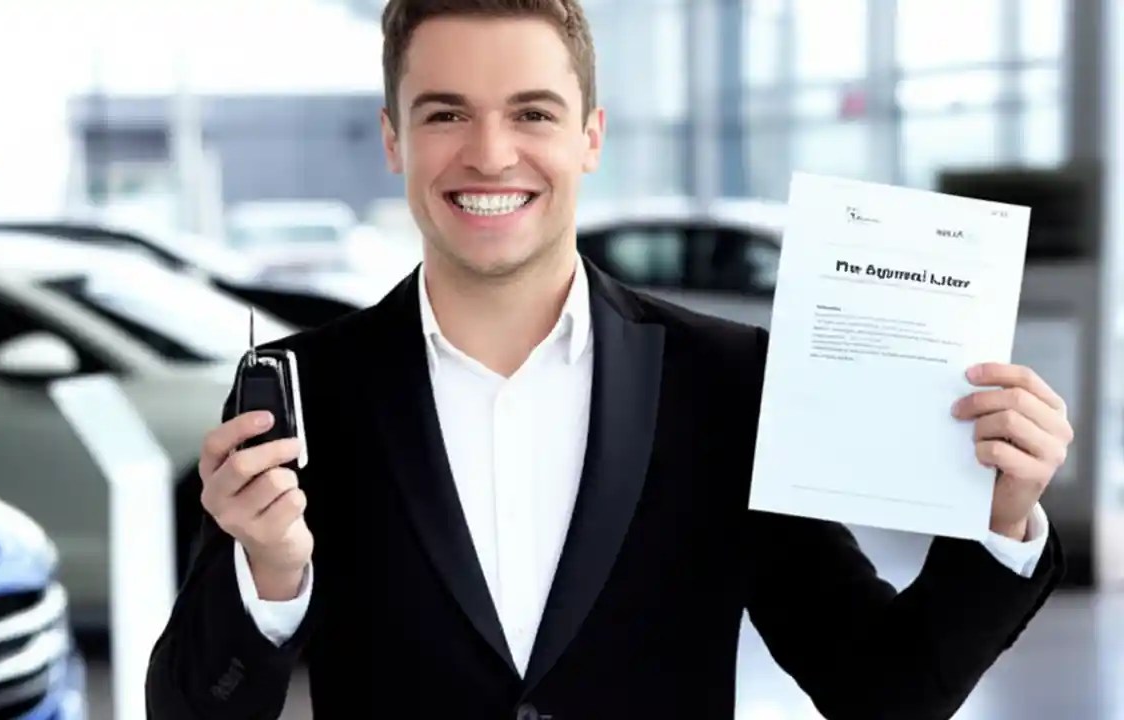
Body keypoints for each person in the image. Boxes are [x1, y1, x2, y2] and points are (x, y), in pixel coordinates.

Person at [145, 0, 1072, 717]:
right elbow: (191, 707)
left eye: (533, 113)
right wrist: (267, 573)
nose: (491, 152)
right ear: (394, 139)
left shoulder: (723, 384)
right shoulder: (310, 391)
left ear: (591, 135)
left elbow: (884, 691)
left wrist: (1000, 520)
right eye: (445, 114)